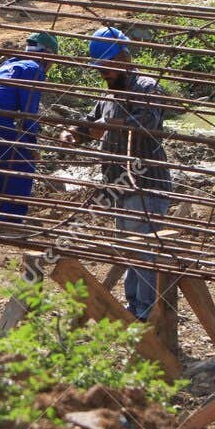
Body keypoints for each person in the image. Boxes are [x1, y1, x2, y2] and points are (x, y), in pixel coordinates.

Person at [58, 27, 173, 319]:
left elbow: (148, 123)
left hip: (145, 183)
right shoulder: (109, 94)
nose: (103, 73)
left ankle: (147, 314)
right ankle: (137, 310)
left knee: (144, 253)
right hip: (119, 187)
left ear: (123, 58)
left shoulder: (147, 87)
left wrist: (108, 125)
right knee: (130, 251)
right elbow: (91, 123)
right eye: (100, 68)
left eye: (107, 67)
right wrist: (73, 133)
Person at [0, 31, 56, 227]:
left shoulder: (9, 64)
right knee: (23, 162)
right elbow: (29, 111)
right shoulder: (34, 69)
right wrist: (31, 144)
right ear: (48, 56)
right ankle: (12, 218)